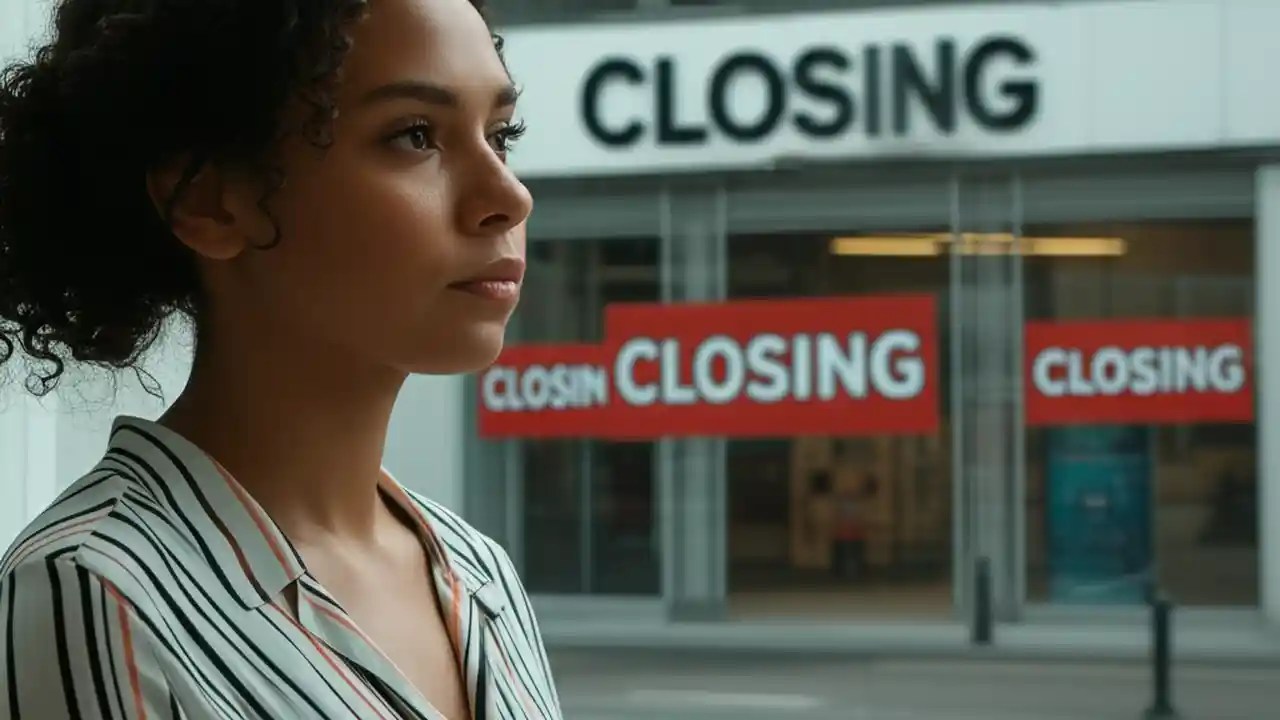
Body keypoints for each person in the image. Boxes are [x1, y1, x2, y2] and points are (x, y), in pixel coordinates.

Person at [0, 0, 561, 717]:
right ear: (210, 201)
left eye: (500, 134)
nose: (509, 197)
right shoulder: (96, 592)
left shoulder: (481, 574)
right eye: (415, 135)